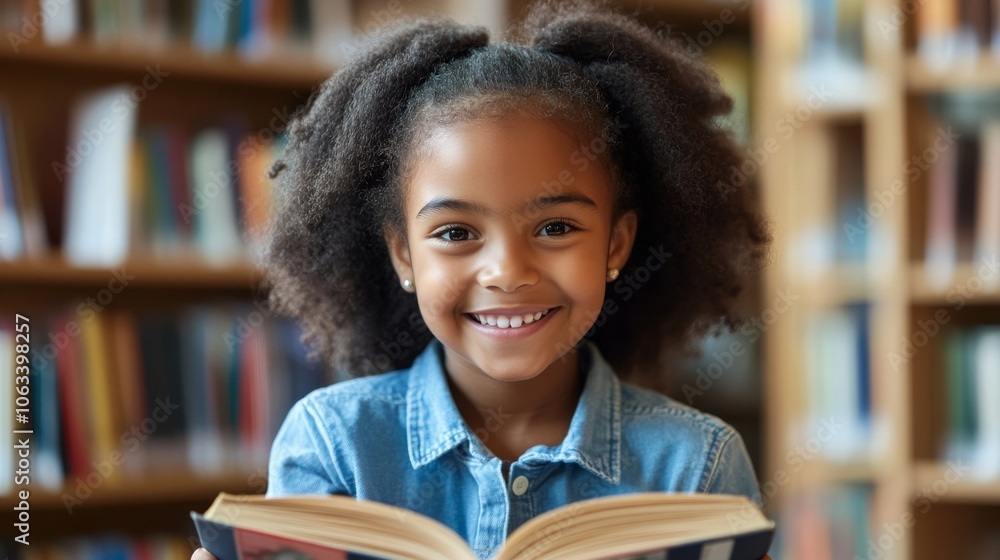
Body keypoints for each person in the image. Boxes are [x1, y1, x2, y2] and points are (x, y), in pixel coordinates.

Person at [194, 1, 772, 558]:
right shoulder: (334, 446)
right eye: (454, 233)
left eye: (555, 226)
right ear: (402, 256)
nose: (507, 273)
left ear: (615, 245)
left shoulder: (696, 466)